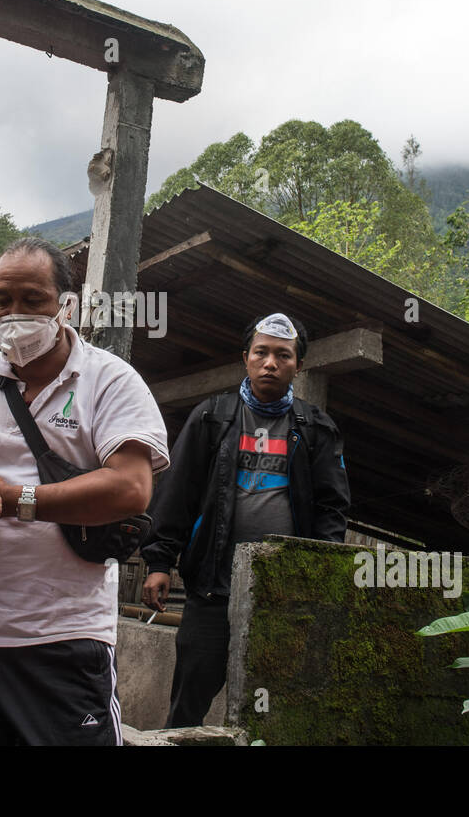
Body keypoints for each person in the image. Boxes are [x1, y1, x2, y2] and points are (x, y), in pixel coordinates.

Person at [0, 236, 170, 746]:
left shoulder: (109, 380)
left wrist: (16, 501)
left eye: (33, 300)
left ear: (67, 306)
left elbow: (131, 487)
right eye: (3, 299)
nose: (13, 313)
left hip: (65, 640)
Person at [139, 312, 350, 728]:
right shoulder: (212, 418)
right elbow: (176, 493)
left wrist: (319, 572)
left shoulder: (315, 428)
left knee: (273, 702)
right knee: (188, 702)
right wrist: (159, 563)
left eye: (282, 355)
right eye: (262, 353)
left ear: (298, 365)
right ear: (246, 358)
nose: (271, 363)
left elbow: (332, 508)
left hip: (284, 595)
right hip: (212, 588)